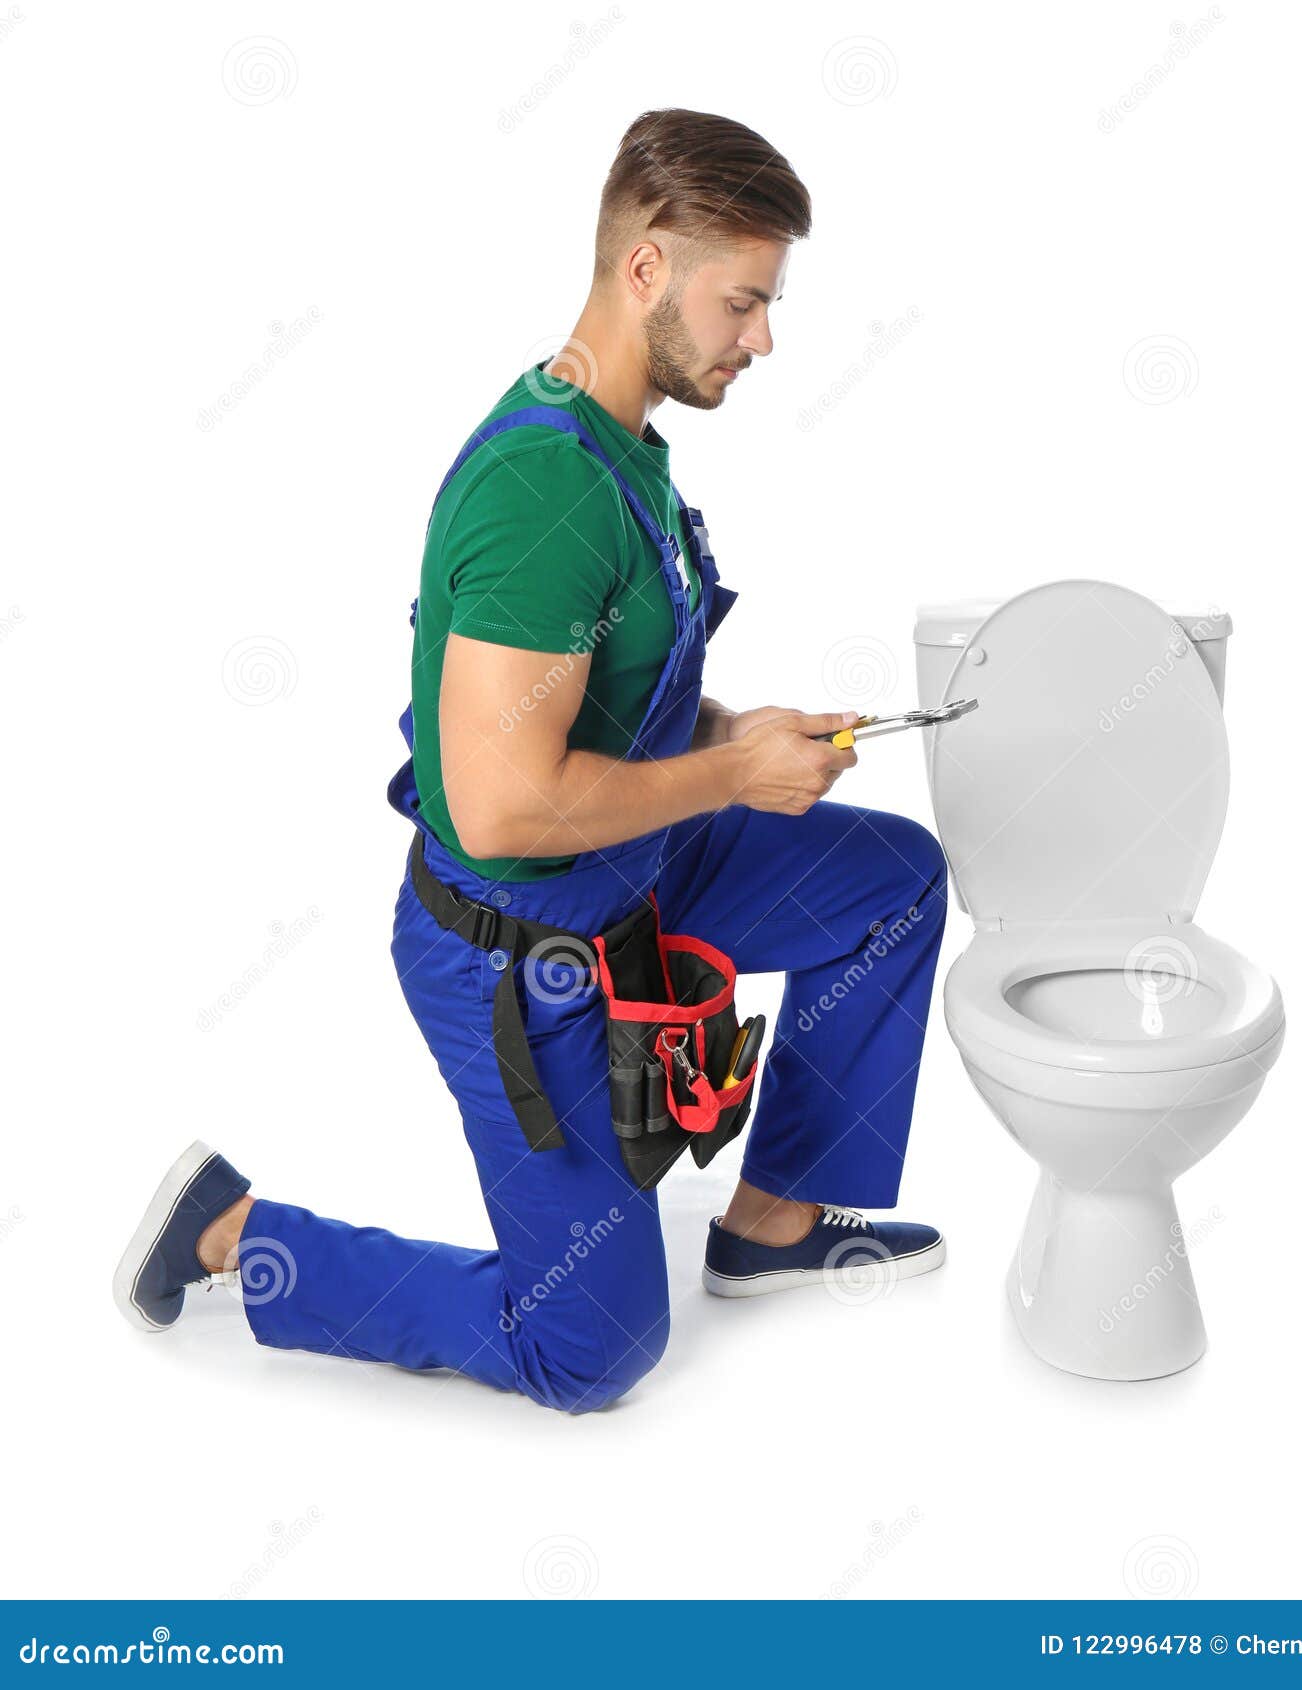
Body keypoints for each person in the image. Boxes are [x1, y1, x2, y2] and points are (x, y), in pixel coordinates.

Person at [113, 108, 950, 1413]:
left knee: (889, 881)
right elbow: (506, 800)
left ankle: (772, 1224)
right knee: (590, 1353)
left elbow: (590, 713)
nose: (765, 338)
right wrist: (731, 778)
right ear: (643, 271)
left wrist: (730, 734)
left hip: (638, 859)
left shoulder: (623, 449)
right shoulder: (543, 496)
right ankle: (232, 1230)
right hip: (525, 946)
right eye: (743, 302)